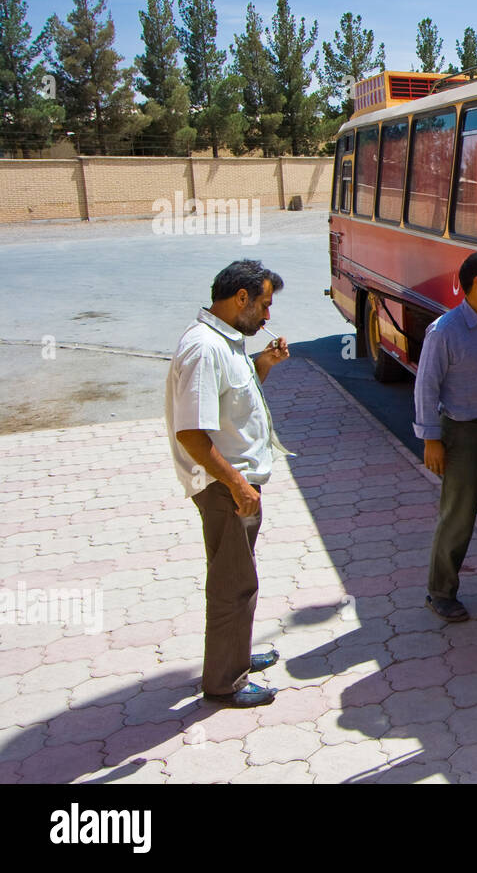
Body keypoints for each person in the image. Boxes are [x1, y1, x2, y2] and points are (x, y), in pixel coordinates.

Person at [166, 260, 290, 708]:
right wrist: (237, 485)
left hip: (234, 485)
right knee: (234, 584)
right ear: (241, 298)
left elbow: (232, 398)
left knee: (237, 574)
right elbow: (192, 433)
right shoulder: (203, 348)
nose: (267, 316)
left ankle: (235, 653)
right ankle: (225, 681)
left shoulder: (226, 340)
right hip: (225, 489)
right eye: (264, 304)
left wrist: (263, 364)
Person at [415, 251, 477, 623]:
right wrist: (431, 440)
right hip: (464, 438)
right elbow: (426, 388)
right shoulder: (445, 331)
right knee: (457, 517)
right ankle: (441, 593)